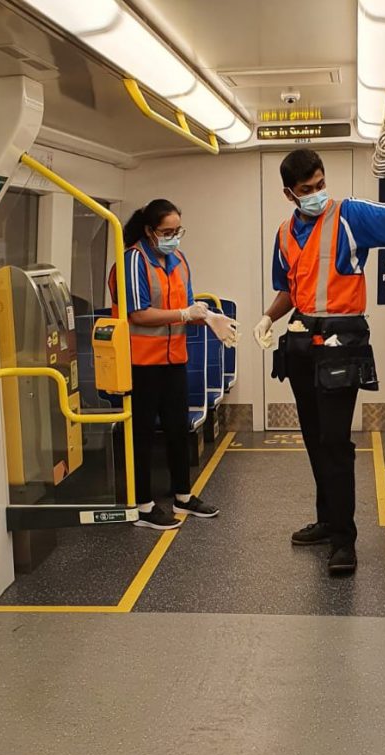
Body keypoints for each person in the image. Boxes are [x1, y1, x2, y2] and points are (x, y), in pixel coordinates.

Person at [253, 148, 385, 576]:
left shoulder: (348, 214)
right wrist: (268, 317)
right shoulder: (283, 233)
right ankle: (327, 520)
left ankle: (343, 540)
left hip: (341, 342)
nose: (317, 193)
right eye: (306, 189)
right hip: (301, 341)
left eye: (320, 184)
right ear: (289, 194)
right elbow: (289, 289)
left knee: (335, 441)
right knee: (314, 438)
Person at [109, 199, 219, 530]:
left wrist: (208, 318)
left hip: (174, 358)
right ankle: (143, 505)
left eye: (178, 231)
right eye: (167, 232)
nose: (173, 238)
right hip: (140, 362)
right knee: (142, 433)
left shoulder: (178, 260)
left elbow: (185, 306)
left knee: (178, 429)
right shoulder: (132, 260)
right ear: (149, 231)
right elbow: (139, 314)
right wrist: (184, 314)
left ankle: (182, 496)